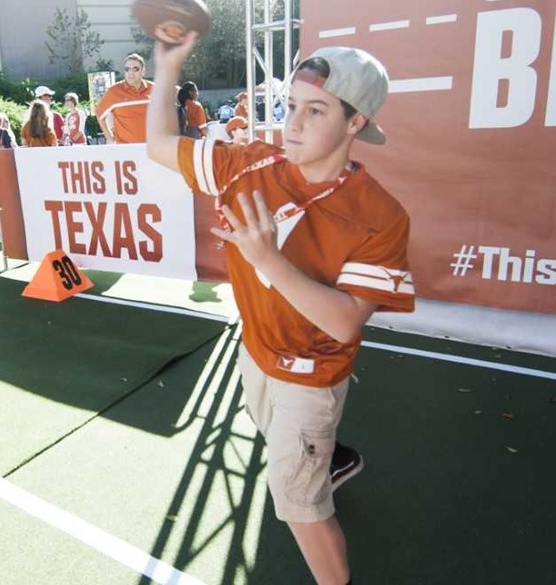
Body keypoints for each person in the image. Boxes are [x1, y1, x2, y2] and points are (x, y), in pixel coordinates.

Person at [145, 36, 415, 585]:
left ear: (356, 122)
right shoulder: (246, 165)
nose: (292, 123)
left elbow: (344, 321)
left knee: (297, 505)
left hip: (314, 372)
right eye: (291, 105)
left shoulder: (382, 216)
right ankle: (329, 458)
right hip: (256, 348)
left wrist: (267, 259)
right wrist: (167, 66)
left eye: (315, 111)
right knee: (272, 432)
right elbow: (159, 144)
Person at [95, 53, 152, 144]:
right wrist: (109, 137)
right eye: (127, 69)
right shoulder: (113, 91)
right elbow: (99, 115)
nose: (131, 73)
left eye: (135, 69)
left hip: (152, 147)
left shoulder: (155, 89)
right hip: (125, 148)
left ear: (143, 71)